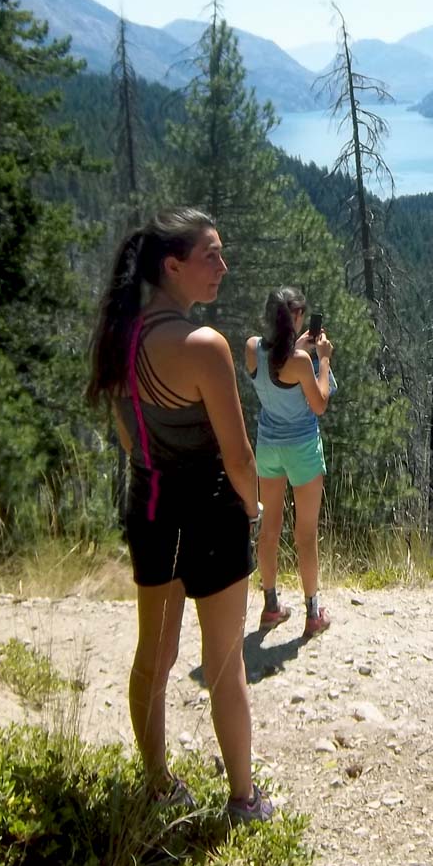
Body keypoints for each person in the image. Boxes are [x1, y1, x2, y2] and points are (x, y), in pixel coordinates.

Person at [86, 207, 273, 824]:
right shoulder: (202, 346)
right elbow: (239, 455)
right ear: (173, 266)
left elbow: (125, 436)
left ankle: (158, 784)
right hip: (210, 511)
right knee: (224, 662)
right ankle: (243, 800)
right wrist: (255, 507)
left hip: (150, 504)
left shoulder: (121, 337)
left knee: (154, 657)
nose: (223, 266)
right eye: (210, 255)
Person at [244, 286, 335, 639]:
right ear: (296, 318)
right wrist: (323, 359)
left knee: (269, 529)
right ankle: (313, 612)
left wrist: (298, 348)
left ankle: (270, 606)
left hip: (268, 447)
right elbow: (320, 403)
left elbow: (274, 368)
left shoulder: (252, 349)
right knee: (306, 533)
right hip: (301, 449)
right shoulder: (300, 363)